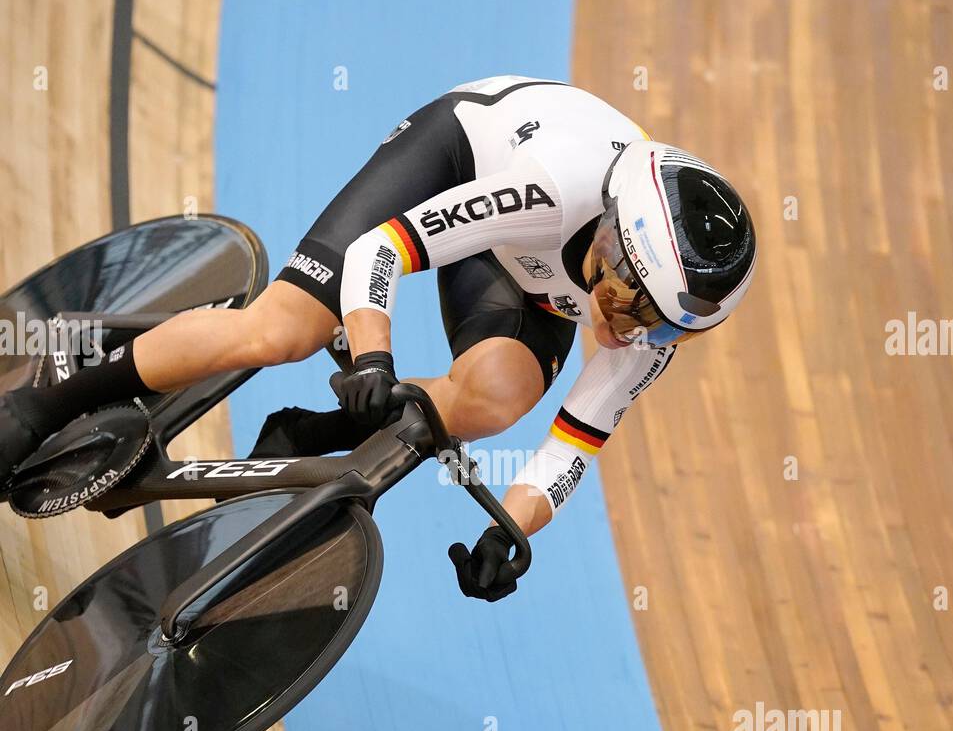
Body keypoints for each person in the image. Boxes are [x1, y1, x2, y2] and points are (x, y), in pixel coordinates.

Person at [0, 75, 756, 600]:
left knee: (499, 397)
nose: (630, 330)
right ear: (619, 245)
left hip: (525, 265)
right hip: (460, 157)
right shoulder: (557, 190)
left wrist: (515, 536)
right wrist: (371, 352)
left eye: (659, 326)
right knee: (285, 330)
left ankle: (309, 435)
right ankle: (41, 408)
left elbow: (577, 442)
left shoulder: (657, 316)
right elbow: (380, 253)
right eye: (629, 304)